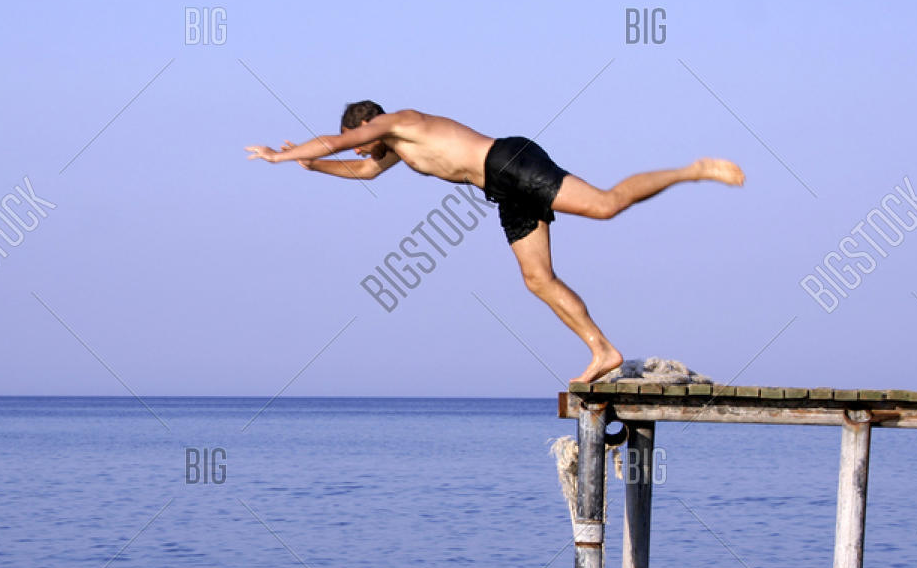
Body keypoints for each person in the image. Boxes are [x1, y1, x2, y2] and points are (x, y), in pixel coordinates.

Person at [246, 102, 744, 384]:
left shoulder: (396, 121)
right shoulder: (393, 147)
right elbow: (361, 169)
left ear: (366, 124)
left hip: (512, 162)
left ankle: (692, 170)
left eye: (358, 137)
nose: (359, 146)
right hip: (501, 187)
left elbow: (339, 146)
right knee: (536, 279)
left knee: (606, 205)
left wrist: (279, 157)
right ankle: (604, 352)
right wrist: (311, 167)